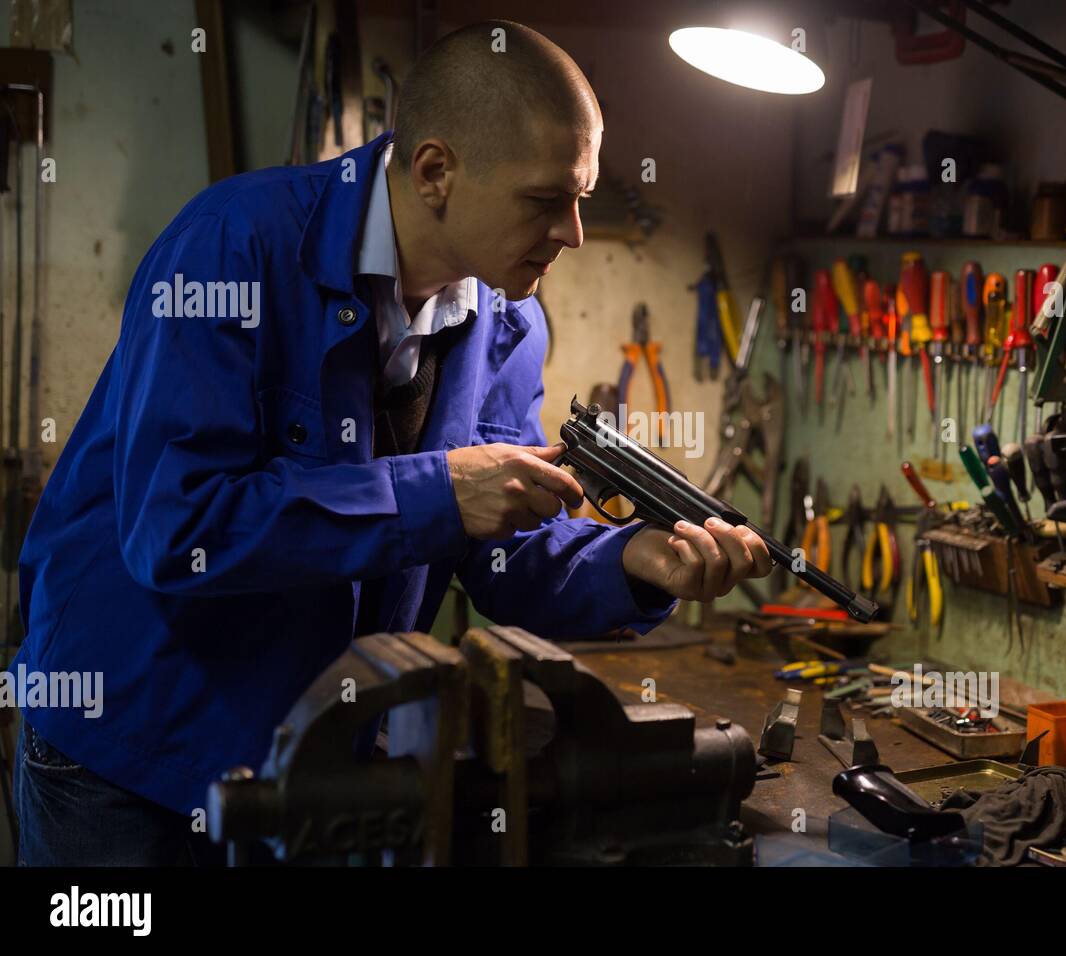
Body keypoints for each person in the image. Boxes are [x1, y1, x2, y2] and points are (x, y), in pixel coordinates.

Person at [9, 20, 771, 866]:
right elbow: (178, 530)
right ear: (436, 171)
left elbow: (498, 541)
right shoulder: (231, 249)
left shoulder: (508, 323)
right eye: (545, 199)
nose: (574, 232)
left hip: (308, 755)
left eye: (582, 198)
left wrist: (630, 563)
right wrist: (436, 491)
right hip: (127, 753)